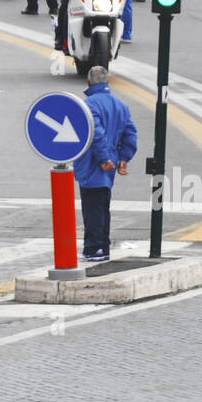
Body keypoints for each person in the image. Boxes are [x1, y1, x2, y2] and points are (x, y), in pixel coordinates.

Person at [75, 65, 137, 262]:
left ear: (89, 82)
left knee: (92, 207)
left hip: (94, 163)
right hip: (110, 165)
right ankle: (102, 247)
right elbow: (130, 134)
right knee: (102, 206)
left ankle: (94, 250)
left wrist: (103, 159)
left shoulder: (89, 105)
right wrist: (124, 159)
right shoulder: (121, 106)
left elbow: (96, 134)